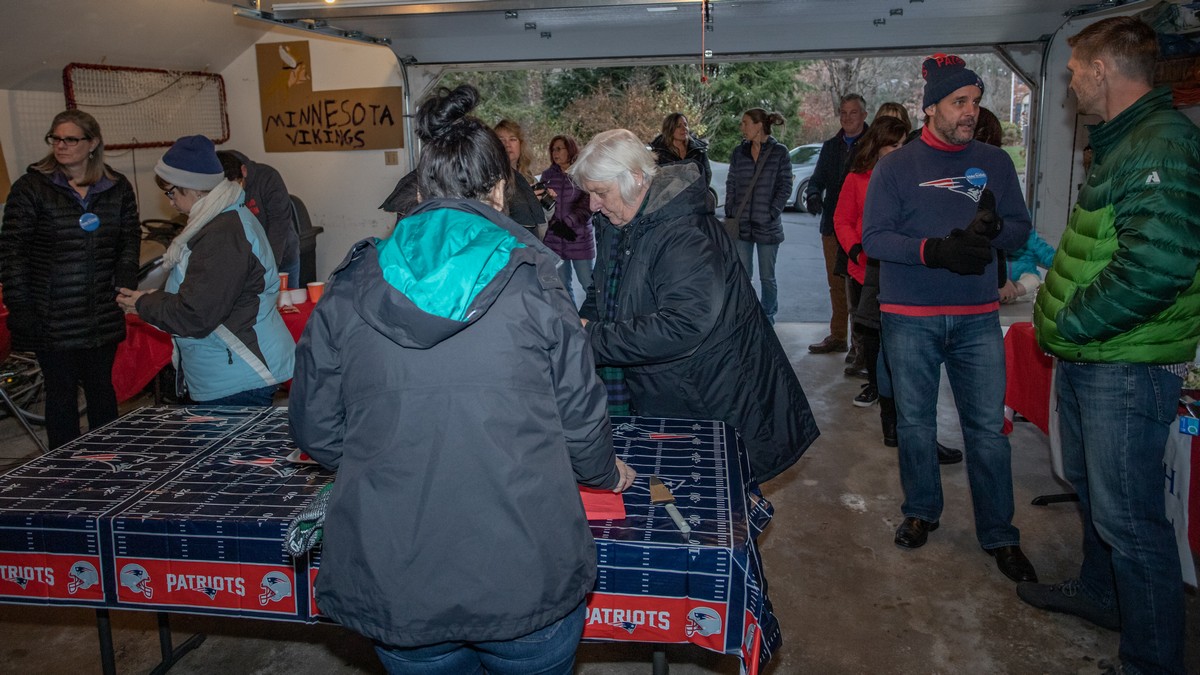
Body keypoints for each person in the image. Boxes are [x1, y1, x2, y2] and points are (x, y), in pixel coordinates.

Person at [288, 84, 635, 675]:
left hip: (399, 574)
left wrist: (392, 452)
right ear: (500, 190)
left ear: (422, 191)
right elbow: (581, 416)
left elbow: (317, 431)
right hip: (525, 570)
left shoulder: (348, 288)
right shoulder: (537, 283)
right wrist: (605, 472)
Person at [1024, 16, 1200, 675]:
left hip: (1123, 361)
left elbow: (1159, 265)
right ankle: (1102, 593)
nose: (1069, 85)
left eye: (1073, 73)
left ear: (1102, 70)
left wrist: (1072, 323)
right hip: (1098, 356)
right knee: (1102, 500)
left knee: (1132, 523)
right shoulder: (1127, 141)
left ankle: (1151, 661)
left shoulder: (1157, 145)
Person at [861, 54, 1036, 583]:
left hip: (977, 319)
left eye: (976, 103)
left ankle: (1000, 535)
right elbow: (875, 239)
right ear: (931, 107)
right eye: (960, 102)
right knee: (915, 425)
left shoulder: (996, 162)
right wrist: (933, 251)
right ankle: (921, 512)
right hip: (909, 316)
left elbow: (1021, 232)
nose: (970, 112)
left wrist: (993, 227)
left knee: (986, 431)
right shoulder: (896, 166)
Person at [573, 128, 819, 483]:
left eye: (600, 192)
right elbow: (602, 291)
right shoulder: (616, 220)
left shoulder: (685, 233)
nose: (593, 204)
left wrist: (591, 338)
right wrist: (581, 324)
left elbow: (684, 325)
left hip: (711, 393)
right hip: (667, 389)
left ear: (635, 179)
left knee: (721, 498)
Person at [115, 135, 294, 406]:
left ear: (193, 187)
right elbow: (204, 296)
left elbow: (196, 315)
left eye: (171, 192)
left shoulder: (222, 233)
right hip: (230, 367)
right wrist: (155, 300)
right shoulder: (221, 220)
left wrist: (147, 303)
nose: (171, 202)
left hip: (238, 371)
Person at [0, 110, 140, 449]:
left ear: (92, 143)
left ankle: (109, 459)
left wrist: (123, 280)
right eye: (56, 138)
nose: (61, 146)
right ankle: (64, 468)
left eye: (70, 139)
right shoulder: (32, 187)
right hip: (52, 314)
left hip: (101, 309)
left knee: (102, 390)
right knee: (61, 394)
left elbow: (129, 238)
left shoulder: (116, 187)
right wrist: (21, 307)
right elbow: (11, 252)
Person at [833, 116, 908, 409]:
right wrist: (855, 251)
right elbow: (842, 219)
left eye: (903, 144)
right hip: (866, 268)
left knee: (897, 335)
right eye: (893, 145)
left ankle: (896, 392)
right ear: (878, 145)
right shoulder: (857, 178)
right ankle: (875, 386)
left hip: (901, 267)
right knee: (872, 333)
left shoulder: (912, 177)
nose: (900, 150)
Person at [806, 93, 868, 355]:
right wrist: (812, 193)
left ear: (864, 115)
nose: (846, 117)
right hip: (832, 225)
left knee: (859, 286)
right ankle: (839, 335)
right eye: (843, 112)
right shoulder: (831, 146)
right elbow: (818, 178)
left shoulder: (872, 145)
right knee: (836, 283)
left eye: (852, 112)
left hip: (861, 227)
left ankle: (861, 344)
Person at [723, 108, 793, 325]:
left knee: (767, 278)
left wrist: (772, 212)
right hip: (742, 225)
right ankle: (747, 316)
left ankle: (768, 317)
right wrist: (731, 211)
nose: (742, 128)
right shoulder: (739, 152)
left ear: (759, 125)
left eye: (745, 123)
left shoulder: (779, 152)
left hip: (767, 226)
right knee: (743, 276)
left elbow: (785, 185)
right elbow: (731, 183)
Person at [215, 150, 301, 284]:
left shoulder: (268, 178)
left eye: (236, 186)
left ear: (243, 171)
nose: (233, 194)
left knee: (289, 302)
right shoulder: (216, 189)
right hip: (246, 263)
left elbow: (278, 225)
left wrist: (269, 268)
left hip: (281, 255)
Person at [540, 135, 595, 304]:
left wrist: (569, 222)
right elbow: (543, 202)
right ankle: (572, 323)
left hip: (579, 238)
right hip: (554, 240)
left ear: (569, 149)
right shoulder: (547, 175)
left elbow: (588, 203)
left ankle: (595, 321)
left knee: (588, 284)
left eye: (559, 149)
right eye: (553, 150)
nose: (555, 153)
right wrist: (555, 223)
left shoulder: (582, 173)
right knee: (563, 287)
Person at [494, 119, 548, 239]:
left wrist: (546, 204)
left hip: (533, 247)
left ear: (521, 145)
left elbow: (543, 224)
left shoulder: (530, 179)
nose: (507, 144)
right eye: (501, 140)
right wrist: (524, 203)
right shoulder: (491, 180)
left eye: (513, 139)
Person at [649, 112, 712, 187]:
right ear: (669, 129)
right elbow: (654, 179)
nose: (684, 129)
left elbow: (707, 175)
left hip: (695, 194)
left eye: (685, 125)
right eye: (679, 126)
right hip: (667, 196)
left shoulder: (698, 150)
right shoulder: (658, 151)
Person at [999, 229, 1055, 303]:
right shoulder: (994, 239)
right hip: (1000, 283)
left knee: (1034, 280)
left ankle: (1011, 292)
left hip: (1023, 291)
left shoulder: (1031, 239)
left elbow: (1049, 256)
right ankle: (1002, 294)